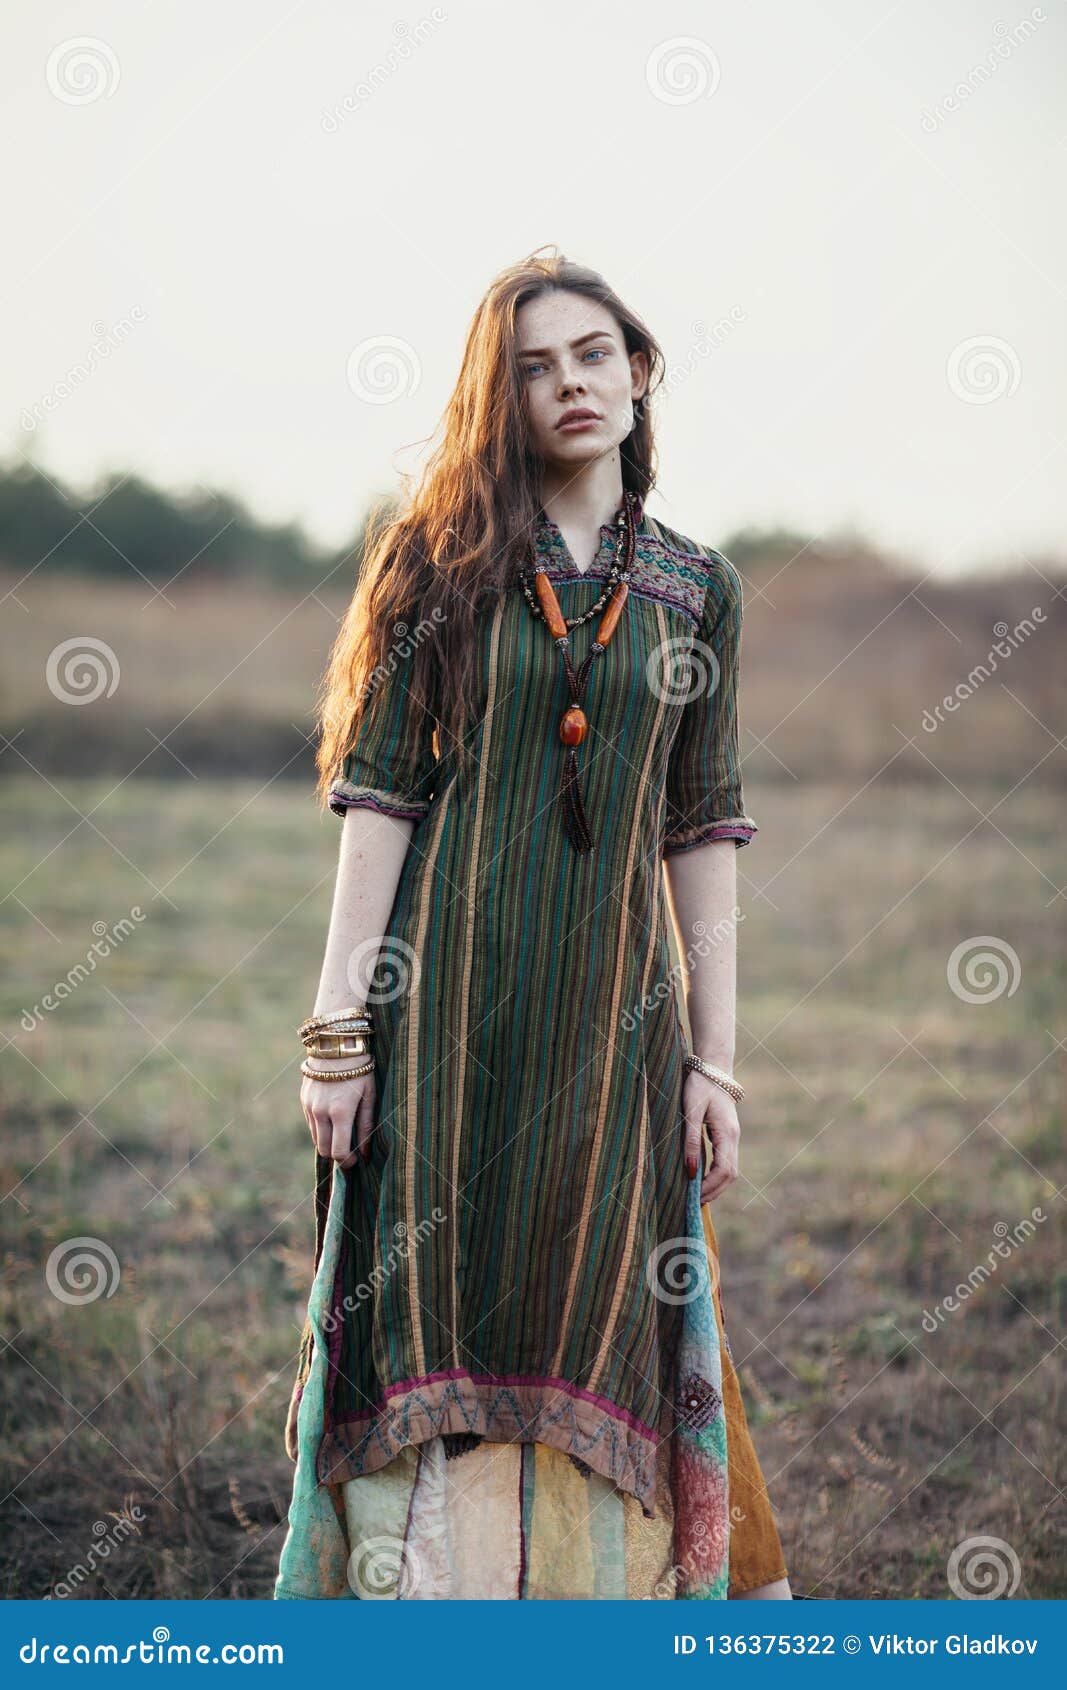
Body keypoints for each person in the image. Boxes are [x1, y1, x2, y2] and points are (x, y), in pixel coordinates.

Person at [274, 248, 790, 1601]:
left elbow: (701, 825)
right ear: (496, 400)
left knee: (600, 1299)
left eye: (592, 355)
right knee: (431, 1303)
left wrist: (716, 1060)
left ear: (639, 371)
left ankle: (584, 1610)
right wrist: (339, 1032)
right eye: (533, 367)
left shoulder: (697, 587)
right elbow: (379, 793)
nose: (569, 383)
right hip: (438, 1003)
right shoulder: (437, 559)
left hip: (616, 1016)